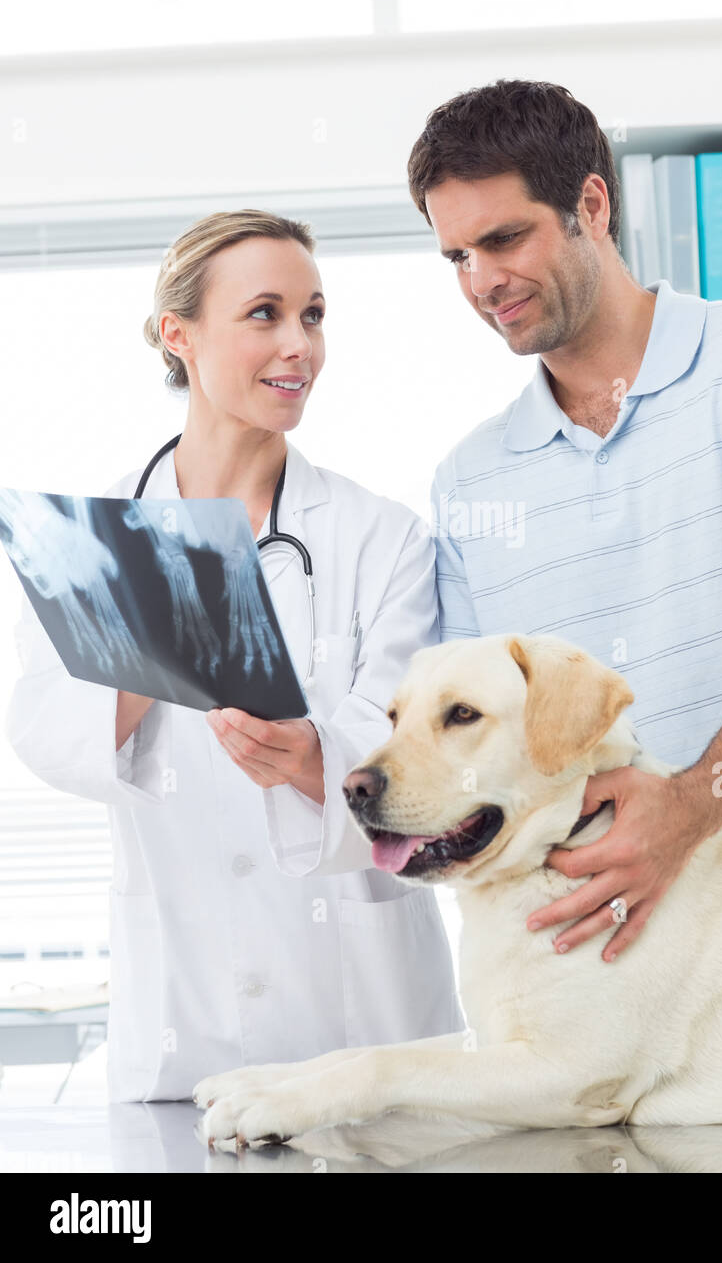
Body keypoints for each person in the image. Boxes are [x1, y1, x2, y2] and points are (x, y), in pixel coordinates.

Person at [407, 79, 722, 962]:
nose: (482, 281)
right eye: (456, 258)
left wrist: (683, 813)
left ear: (589, 205)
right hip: (612, 974)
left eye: (503, 238)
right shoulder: (468, 480)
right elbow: (489, 748)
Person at [5, 209, 463, 1102]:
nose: (300, 345)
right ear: (179, 335)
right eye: (264, 314)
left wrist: (314, 762)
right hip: (189, 1022)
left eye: (314, 315)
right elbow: (40, 723)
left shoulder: (383, 538)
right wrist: (141, 668)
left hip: (369, 1026)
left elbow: (414, 747)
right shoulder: (94, 540)